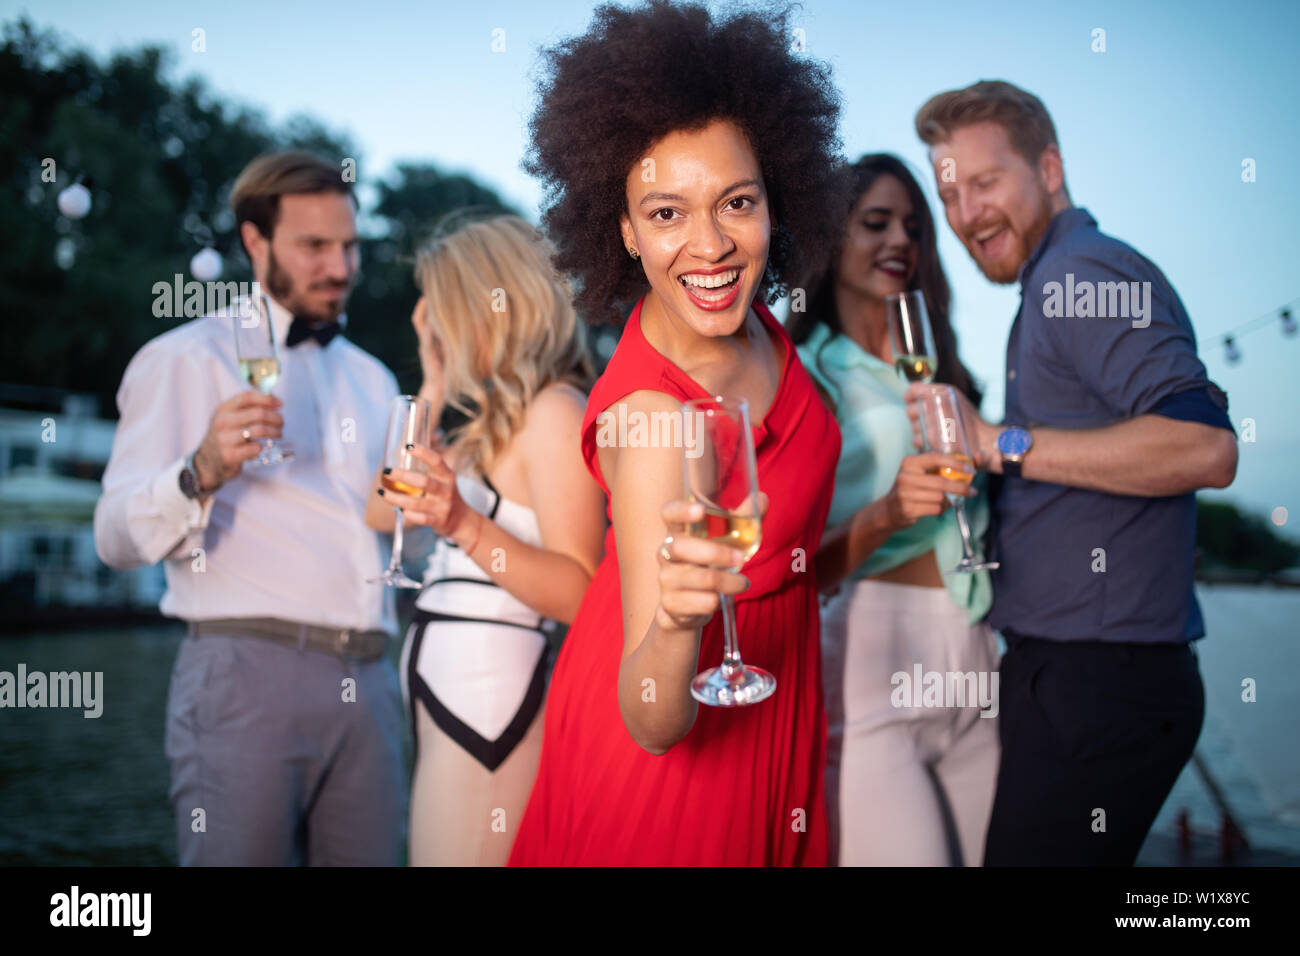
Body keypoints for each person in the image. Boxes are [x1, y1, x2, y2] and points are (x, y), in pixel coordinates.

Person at [505, 0, 846, 866]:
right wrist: (674, 627)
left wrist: (876, 529)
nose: (710, 246)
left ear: (777, 197)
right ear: (622, 230)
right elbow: (652, 716)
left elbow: (789, 560)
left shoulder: (760, 324)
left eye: (736, 202)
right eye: (665, 214)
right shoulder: (657, 422)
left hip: (781, 706)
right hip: (674, 774)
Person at [911, 80, 1238, 866]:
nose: (966, 215)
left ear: (1049, 168)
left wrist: (996, 443)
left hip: (1097, 685)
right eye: (950, 195)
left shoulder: (1074, 277)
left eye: (986, 184)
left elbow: (1207, 448)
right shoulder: (1058, 283)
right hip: (1081, 679)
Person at [94, 152, 406, 866]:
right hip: (245, 674)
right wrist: (200, 469)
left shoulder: (374, 376)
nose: (339, 266)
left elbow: (383, 537)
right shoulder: (184, 357)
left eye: (350, 246)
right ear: (255, 242)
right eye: (314, 246)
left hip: (373, 679)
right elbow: (111, 537)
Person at [364, 214, 605, 866]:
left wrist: (463, 525)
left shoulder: (554, 412)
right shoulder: (502, 416)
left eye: (446, 308)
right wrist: (433, 387)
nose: (437, 326)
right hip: (453, 704)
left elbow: (583, 593)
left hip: (486, 708)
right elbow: (383, 514)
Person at [789, 153, 998, 866]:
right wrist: (887, 511)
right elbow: (795, 569)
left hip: (975, 647)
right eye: (874, 223)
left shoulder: (943, 372)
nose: (900, 241)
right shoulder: (805, 375)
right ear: (829, 239)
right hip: (873, 656)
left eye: (913, 226)